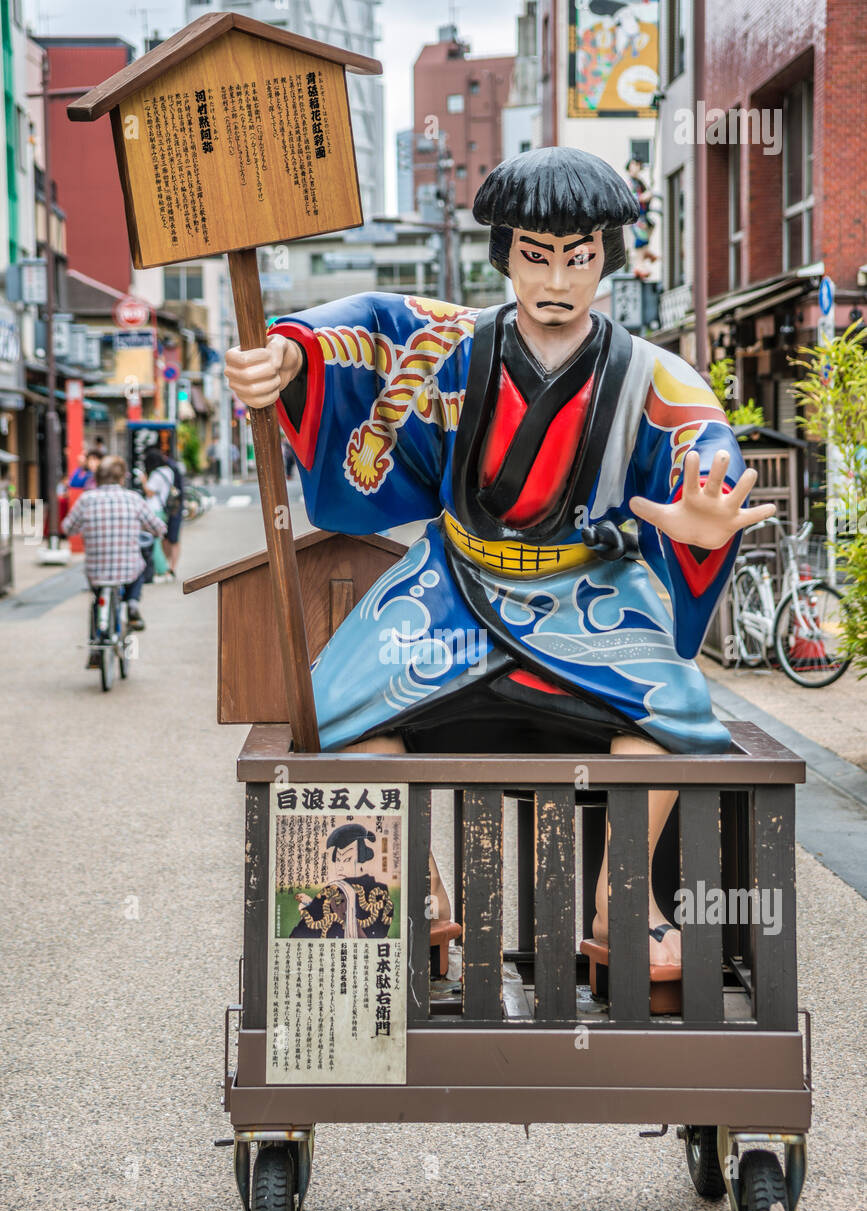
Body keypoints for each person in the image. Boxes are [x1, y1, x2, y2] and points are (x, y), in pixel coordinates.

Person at [224, 146, 775, 969]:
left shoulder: (655, 373)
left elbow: (703, 442)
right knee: (333, 716)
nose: (556, 282)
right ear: (505, 255)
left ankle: (621, 903)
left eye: (578, 259)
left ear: (608, 262)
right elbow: (366, 328)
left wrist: (704, 513)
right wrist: (290, 357)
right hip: (452, 581)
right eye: (535, 257)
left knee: (678, 716)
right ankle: (414, 891)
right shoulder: (448, 342)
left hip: (587, 587)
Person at [62, 454, 166, 632]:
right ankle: (133, 605)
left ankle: (96, 648)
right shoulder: (133, 498)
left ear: (98, 477)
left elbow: (67, 528)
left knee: (97, 597)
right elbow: (159, 528)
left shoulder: (86, 500)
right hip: (127, 569)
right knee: (140, 567)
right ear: (121, 477)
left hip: (96, 570)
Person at [143, 446, 184, 577]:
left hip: (154, 509)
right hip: (164, 509)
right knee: (164, 540)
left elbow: (149, 492)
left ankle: (162, 569)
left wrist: (143, 480)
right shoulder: (168, 471)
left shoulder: (156, 474)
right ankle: (168, 569)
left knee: (155, 541)